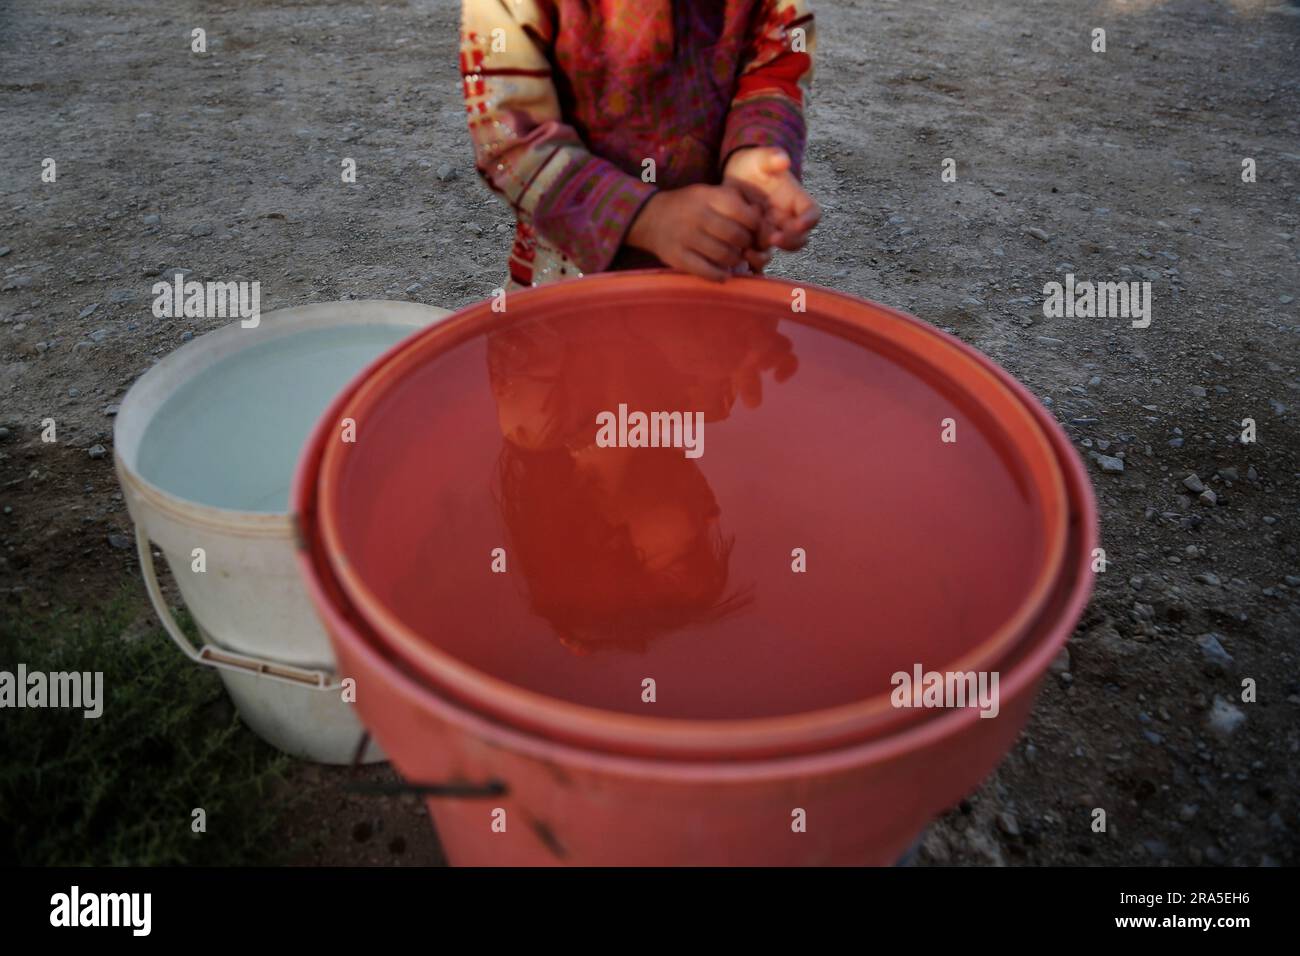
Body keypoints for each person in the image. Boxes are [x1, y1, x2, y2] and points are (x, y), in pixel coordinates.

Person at [459, 1, 820, 289]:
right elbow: (509, 138)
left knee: (715, 377)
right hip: (569, 284)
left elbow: (776, 57)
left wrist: (753, 153)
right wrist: (649, 219)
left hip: (715, 262)